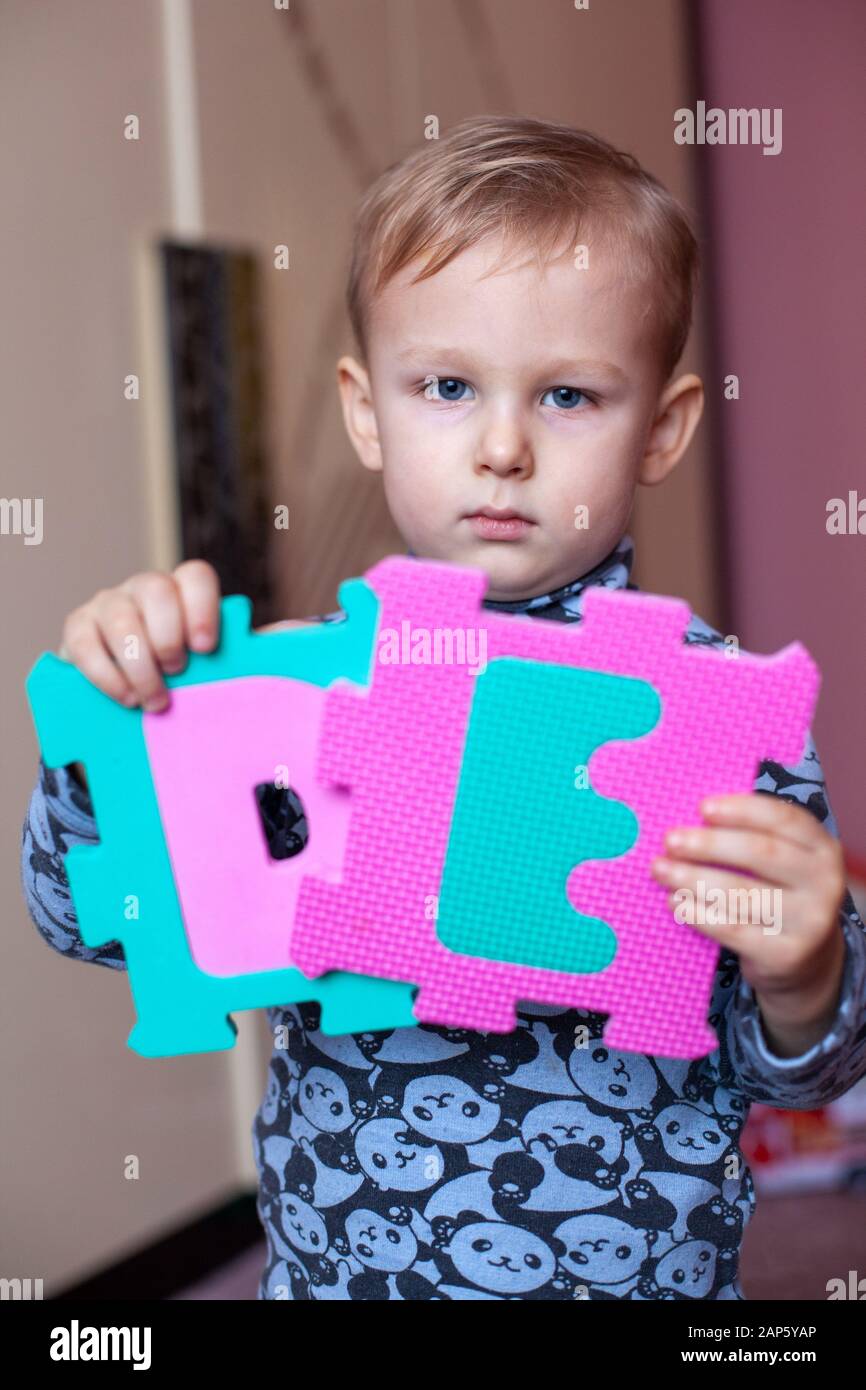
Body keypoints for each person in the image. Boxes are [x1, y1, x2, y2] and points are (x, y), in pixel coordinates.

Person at [20, 116, 866, 1301]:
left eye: (567, 394)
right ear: (367, 411)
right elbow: (85, 919)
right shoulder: (288, 691)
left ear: (662, 428)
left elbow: (803, 1073)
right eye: (448, 386)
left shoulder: (711, 723)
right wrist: (114, 732)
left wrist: (807, 968)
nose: (501, 447)